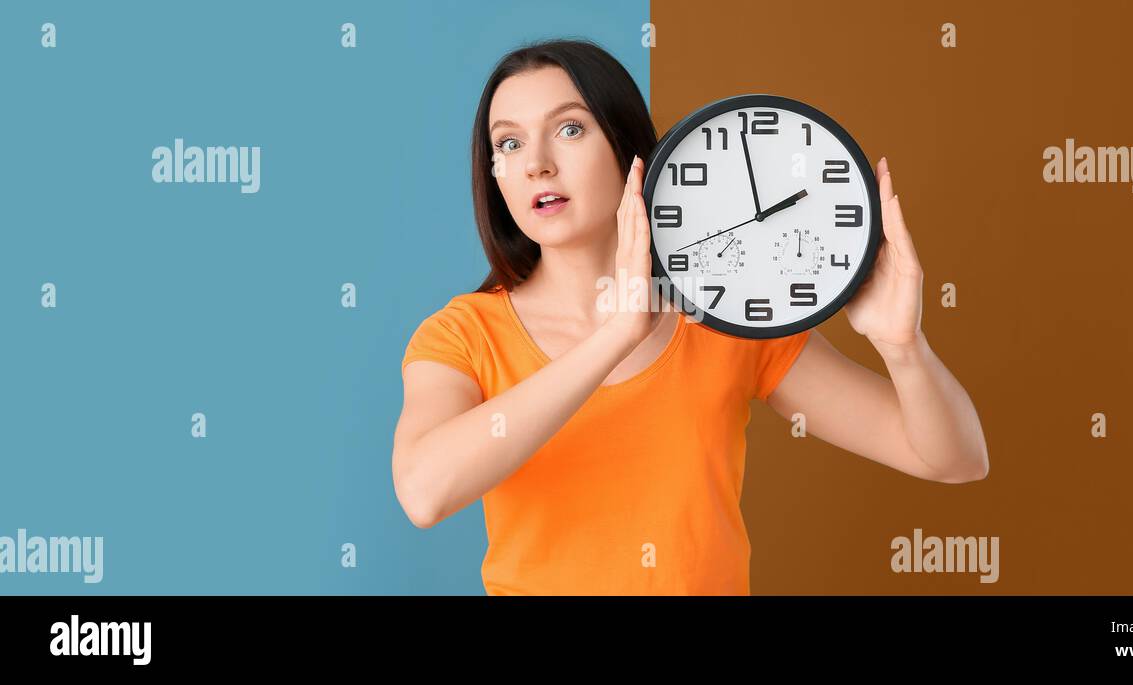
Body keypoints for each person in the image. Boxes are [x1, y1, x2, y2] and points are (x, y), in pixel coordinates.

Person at [392, 39, 989, 595]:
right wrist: (619, 333)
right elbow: (424, 493)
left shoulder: (725, 314)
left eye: (569, 129)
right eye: (509, 143)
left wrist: (903, 347)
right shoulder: (462, 334)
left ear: (632, 153)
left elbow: (954, 459)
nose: (536, 165)